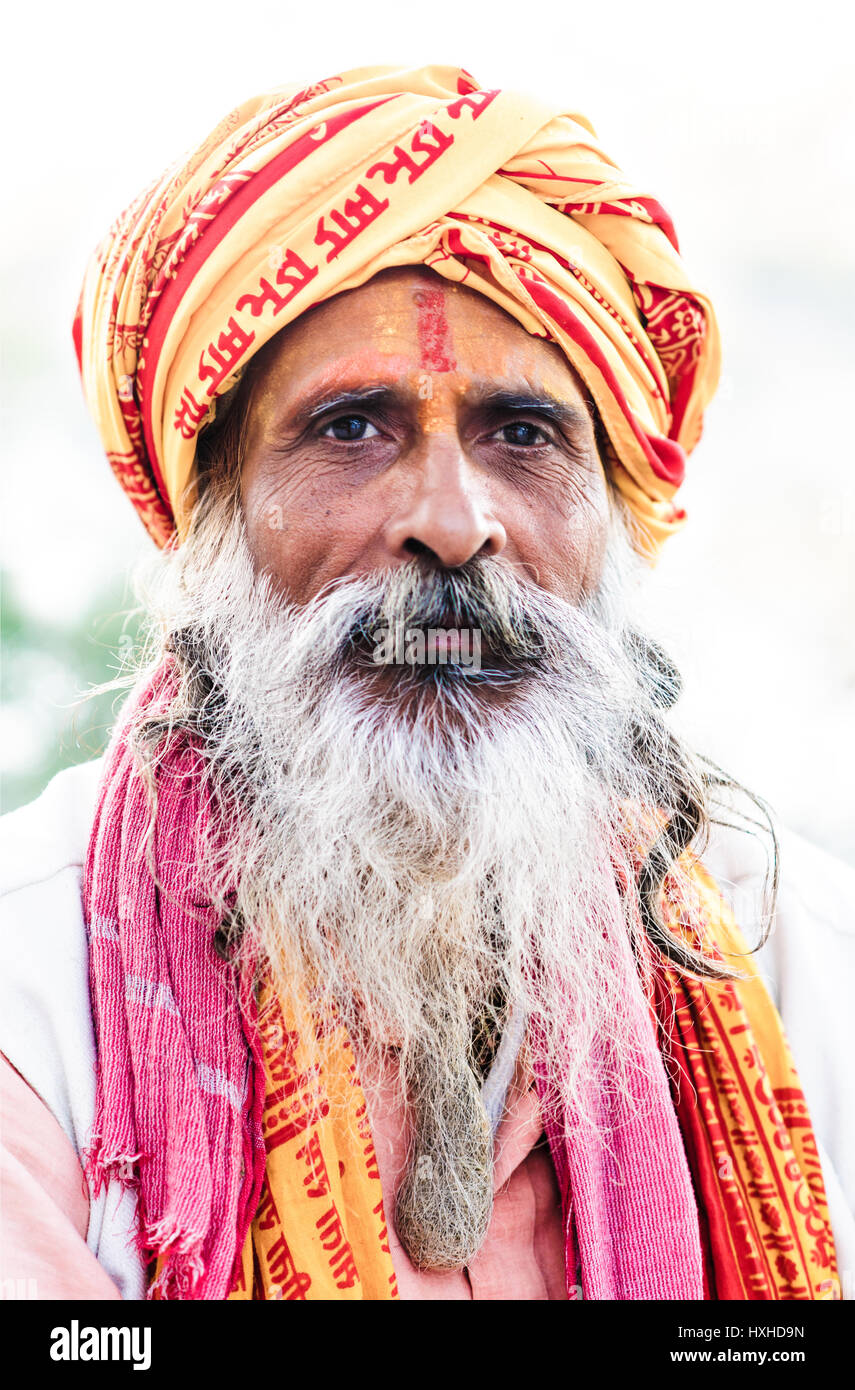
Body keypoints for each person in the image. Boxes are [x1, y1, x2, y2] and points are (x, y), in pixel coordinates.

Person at [2, 64, 853, 1302]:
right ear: (216, 518)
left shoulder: (805, 962)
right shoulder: (34, 987)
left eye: (524, 434)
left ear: (613, 515)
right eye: (353, 428)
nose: (454, 525)